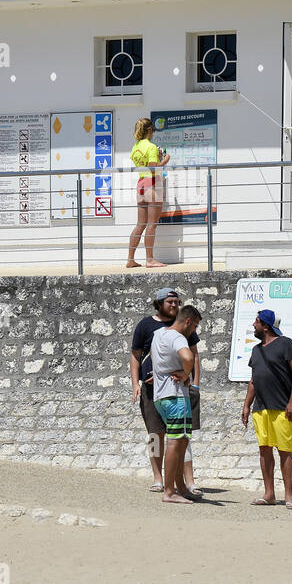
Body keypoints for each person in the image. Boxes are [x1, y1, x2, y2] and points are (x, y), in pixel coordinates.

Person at [130, 287, 201, 495]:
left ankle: (189, 480)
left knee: (182, 436)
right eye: (170, 302)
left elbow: (194, 355)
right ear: (159, 303)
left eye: (177, 302)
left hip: (179, 387)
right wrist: (136, 383)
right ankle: (158, 478)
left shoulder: (183, 326)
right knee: (155, 434)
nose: (174, 305)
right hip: (153, 390)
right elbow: (135, 355)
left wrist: (194, 382)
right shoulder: (146, 325)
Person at [241, 309, 292, 510]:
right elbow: (254, 379)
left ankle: (289, 496)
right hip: (261, 408)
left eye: (256, 321)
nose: (253, 325)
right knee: (264, 450)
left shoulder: (286, 344)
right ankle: (269, 494)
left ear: (266, 326)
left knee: (285, 451)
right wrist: (246, 404)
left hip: (283, 407)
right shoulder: (256, 350)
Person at [151, 304, 202, 504]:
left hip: (161, 396)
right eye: (195, 326)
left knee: (180, 442)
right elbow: (188, 356)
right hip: (175, 396)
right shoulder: (178, 337)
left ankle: (180, 487)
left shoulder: (158, 334)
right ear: (187, 321)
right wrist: (185, 373)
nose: (195, 331)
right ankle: (170, 491)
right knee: (175, 442)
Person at [127, 117, 170, 268]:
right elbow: (153, 168)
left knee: (140, 224)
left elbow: (144, 166)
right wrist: (164, 160)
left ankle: (130, 259)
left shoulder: (135, 148)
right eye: (153, 131)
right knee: (152, 225)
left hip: (140, 184)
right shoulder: (151, 147)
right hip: (152, 183)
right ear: (150, 130)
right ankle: (150, 259)